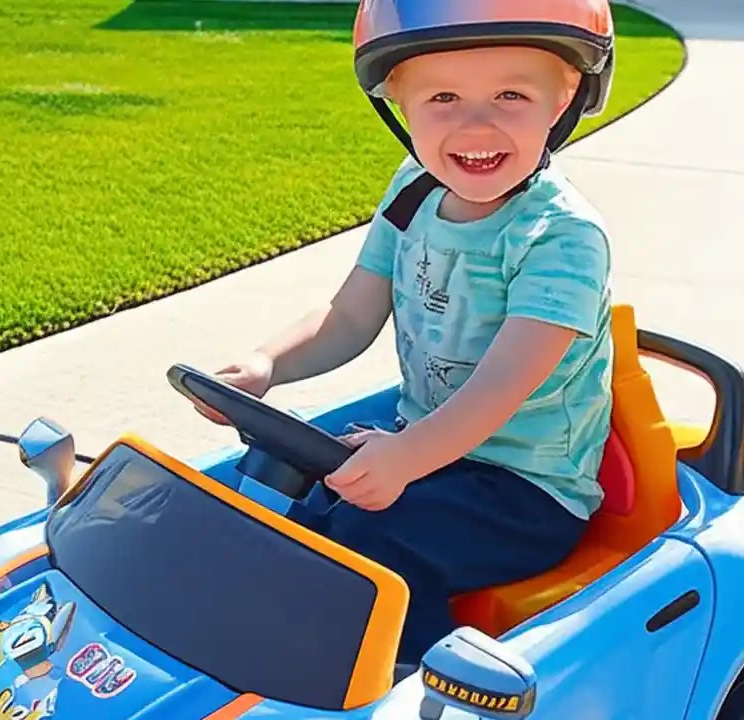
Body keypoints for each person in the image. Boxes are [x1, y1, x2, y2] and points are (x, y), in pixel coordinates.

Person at [192, 0, 618, 665]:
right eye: (443, 96)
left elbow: (502, 387)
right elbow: (351, 316)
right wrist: (265, 363)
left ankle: (417, 687)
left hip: (526, 490)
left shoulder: (561, 237)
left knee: (371, 542)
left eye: (511, 93)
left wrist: (405, 458)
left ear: (565, 95)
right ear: (399, 101)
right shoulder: (415, 186)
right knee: (272, 486)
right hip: (424, 446)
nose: (477, 124)